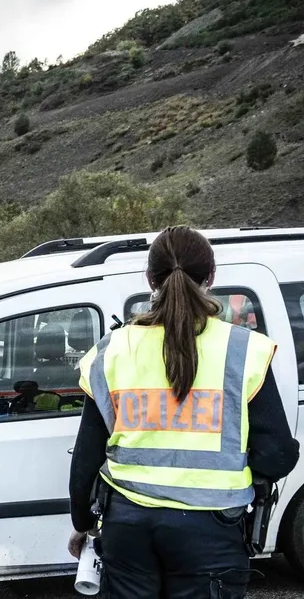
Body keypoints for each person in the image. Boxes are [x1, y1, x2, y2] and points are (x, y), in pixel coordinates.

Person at [67, 226, 299, 598]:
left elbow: (86, 457)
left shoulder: (111, 350)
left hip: (128, 525)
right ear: (210, 278)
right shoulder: (243, 350)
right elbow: (276, 454)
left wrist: (82, 523)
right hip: (212, 531)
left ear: (149, 279)